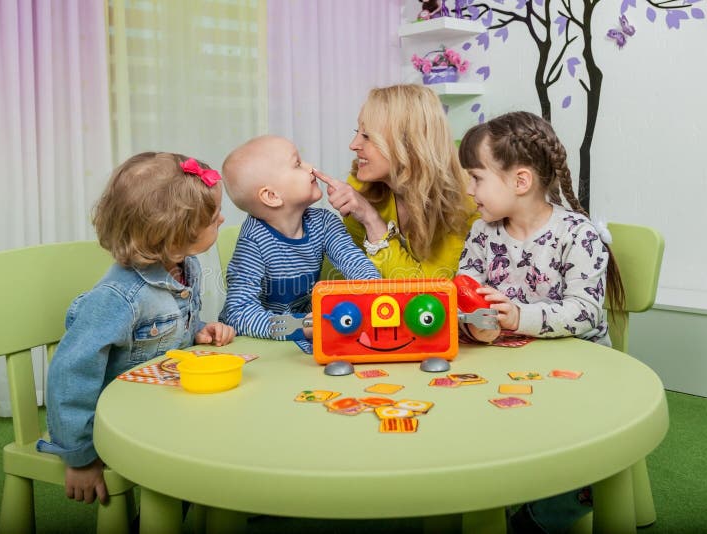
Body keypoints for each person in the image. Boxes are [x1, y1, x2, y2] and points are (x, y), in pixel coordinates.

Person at [456, 111, 625, 532]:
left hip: (577, 374)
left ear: (521, 181)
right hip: (504, 371)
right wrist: (474, 324)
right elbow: (461, 293)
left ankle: (538, 518)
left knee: (580, 448)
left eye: (476, 178)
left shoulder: (577, 235)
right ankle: (481, 496)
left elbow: (584, 311)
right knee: (464, 418)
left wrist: (517, 316)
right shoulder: (481, 233)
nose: (469, 189)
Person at [37, 152, 236, 506]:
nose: (222, 218)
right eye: (213, 218)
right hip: (122, 422)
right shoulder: (117, 298)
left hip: (162, 403)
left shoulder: (184, 266)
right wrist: (79, 457)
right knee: (201, 450)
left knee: (229, 417)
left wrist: (198, 330)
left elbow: (164, 331)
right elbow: (70, 374)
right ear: (173, 237)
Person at [219, 135, 380, 352]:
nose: (310, 167)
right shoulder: (253, 241)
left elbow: (357, 265)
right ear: (272, 196)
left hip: (309, 334)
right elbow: (238, 313)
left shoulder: (325, 223)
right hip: (264, 344)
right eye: (297, 164)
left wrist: (373, 297)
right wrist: (299, 326)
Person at [314, 84, 477, 279]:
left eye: (367, 136)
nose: (353, 145)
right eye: (357, 131)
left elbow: (428, 289)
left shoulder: (467, 200)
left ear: (409, 143)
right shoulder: (360, 188)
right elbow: (356, 275)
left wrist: (372, 221)